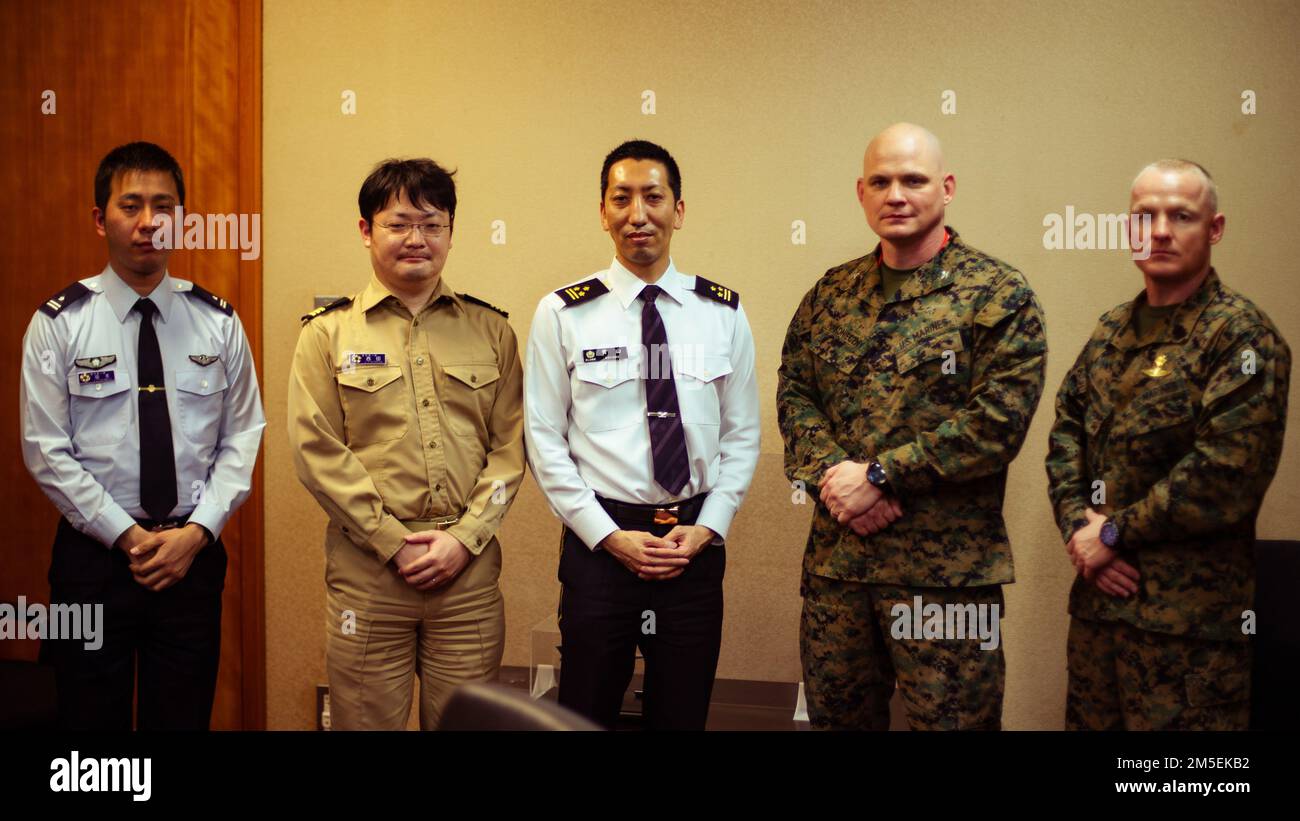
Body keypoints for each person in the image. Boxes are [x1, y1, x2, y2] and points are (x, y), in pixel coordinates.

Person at [777, 123, 1047, 730]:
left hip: (945, 581)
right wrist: (836, 479)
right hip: (839, 568)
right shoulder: (831, 293)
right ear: (861, 192)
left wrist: (880, 476)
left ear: (946, 188)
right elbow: (795, 392)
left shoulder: (998, 294)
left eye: (914, 179)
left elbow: (997, 424)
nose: (896, 194)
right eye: (881, 181)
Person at [20, 141, 266, 730]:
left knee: (181, 719)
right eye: (131, 205)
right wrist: (127, 536)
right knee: (88, 732)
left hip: (190, 559)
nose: (149, 222)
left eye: (164, 206)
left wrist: (196, 533)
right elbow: (46, 450)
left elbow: (243, 437)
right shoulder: (60, 323)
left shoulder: (219, 321)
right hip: (94, 561)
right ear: (100, 219)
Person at [1046, 160, 1290, 730]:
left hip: (1188, 635)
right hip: (1099, 617)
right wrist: (1079, 532)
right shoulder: (1110, 331)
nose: (1159, 230)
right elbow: (1065, 434)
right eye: (1144, 216)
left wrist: (1111, 534)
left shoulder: (1242, 336)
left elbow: (1224, 477)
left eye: (1180, 216)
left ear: (1215, 228)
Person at [524, 139, 759, 730]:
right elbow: (543, 439)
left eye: (653, 197)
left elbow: (743, 436)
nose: (638, 214)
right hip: (600, 547)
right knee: (584, 711)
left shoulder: (723, 312)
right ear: (602, 211)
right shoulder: (562, 313)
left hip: (693, 546)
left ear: (678, 209)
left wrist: (710, 527)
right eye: (621, 198)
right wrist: (607, 537)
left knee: (681, 714)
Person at [288, 158, 524, 730]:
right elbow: (316, 453)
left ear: (450, 232)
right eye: (398, 224)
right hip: (368, 579)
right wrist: (391, 541)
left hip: (466, 577)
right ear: (366, 230)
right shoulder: (327, 333)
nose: (416, 239)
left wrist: (464, 539)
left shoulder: (492, 331)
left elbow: (511, 451)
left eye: (432, 223)